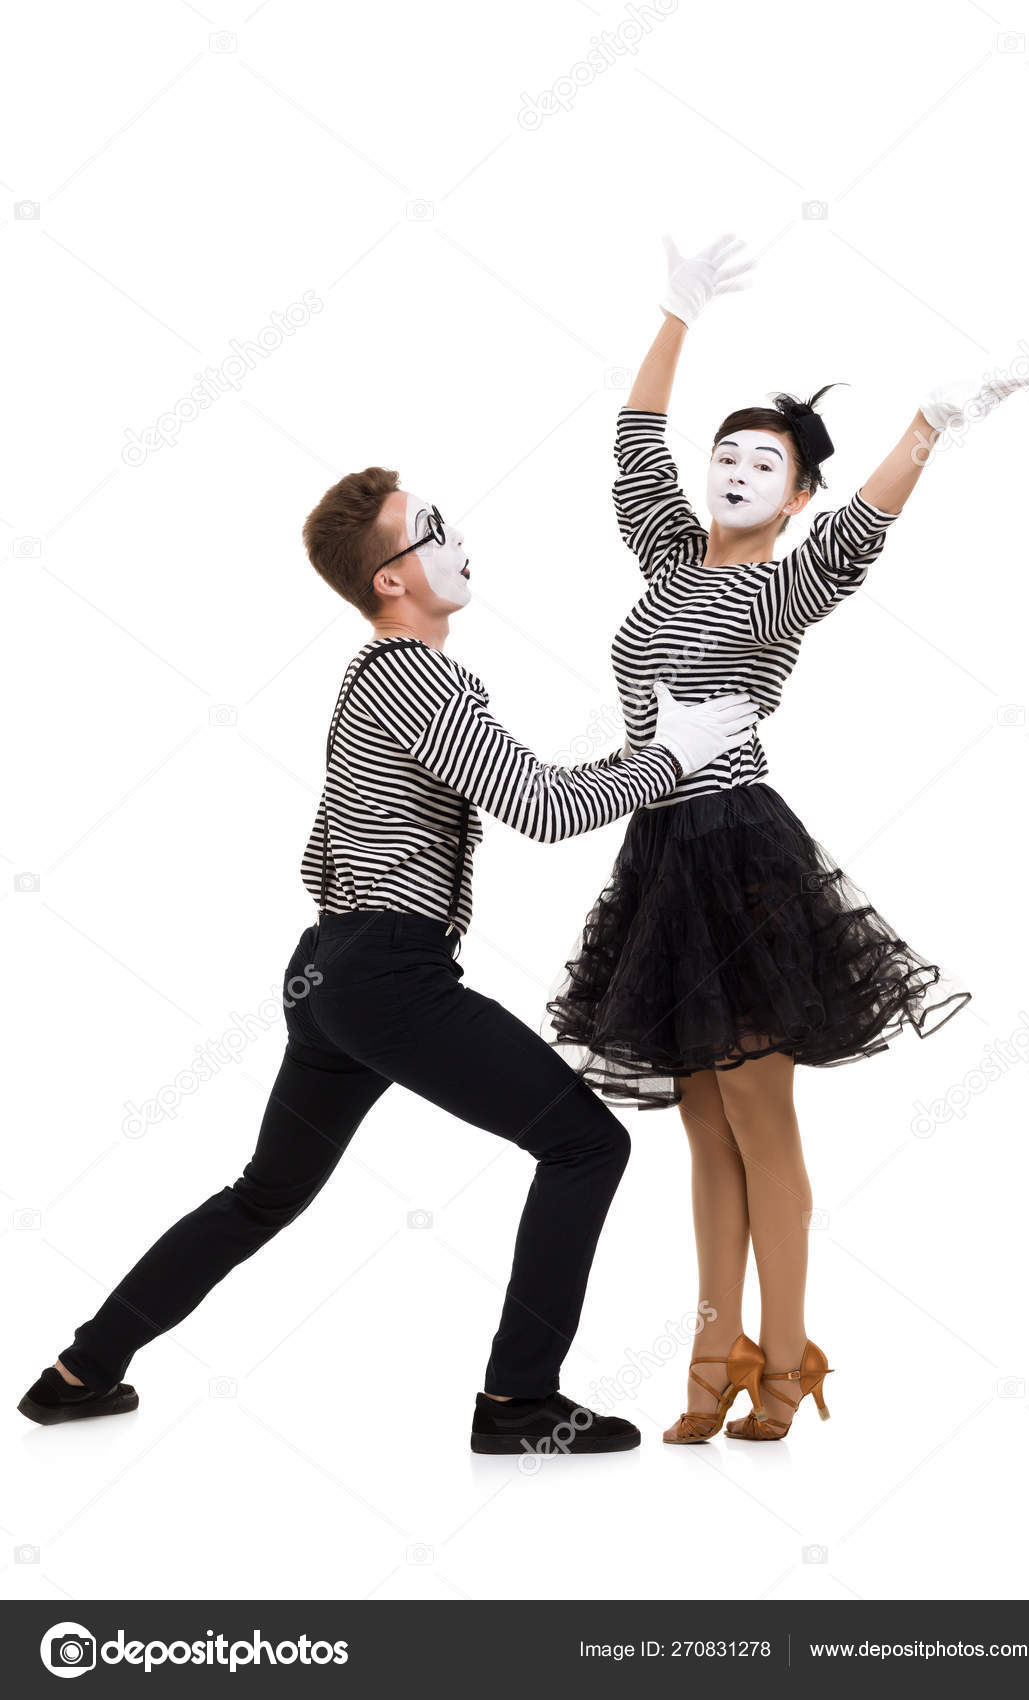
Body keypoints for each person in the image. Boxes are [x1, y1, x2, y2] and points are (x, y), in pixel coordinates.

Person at [18, 468, 760, 1455]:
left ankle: (79, 1371)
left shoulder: (367, 675)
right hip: (384, 976)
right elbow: (540, 806)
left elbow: (321, 851)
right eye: (432, 532)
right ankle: (516, 1403)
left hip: (326, 970)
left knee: (265, 1191)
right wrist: (671, 753)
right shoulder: (416, 675)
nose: (458, 542)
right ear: (390, 581)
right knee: (587, 1143)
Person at [546, 231, 1029, 1444]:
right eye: (722, 452)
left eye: (759, 460)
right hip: (654, 849)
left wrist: (931, 423)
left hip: (737, 857)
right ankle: (709, 1356)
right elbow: (628, 449)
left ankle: (783, 1353)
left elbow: (863, 527)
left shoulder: (785, 583)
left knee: (760, 1118)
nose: (729, 468)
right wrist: (673, 311)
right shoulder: (665, 558)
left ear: (794, 493)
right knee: (701, 1127)